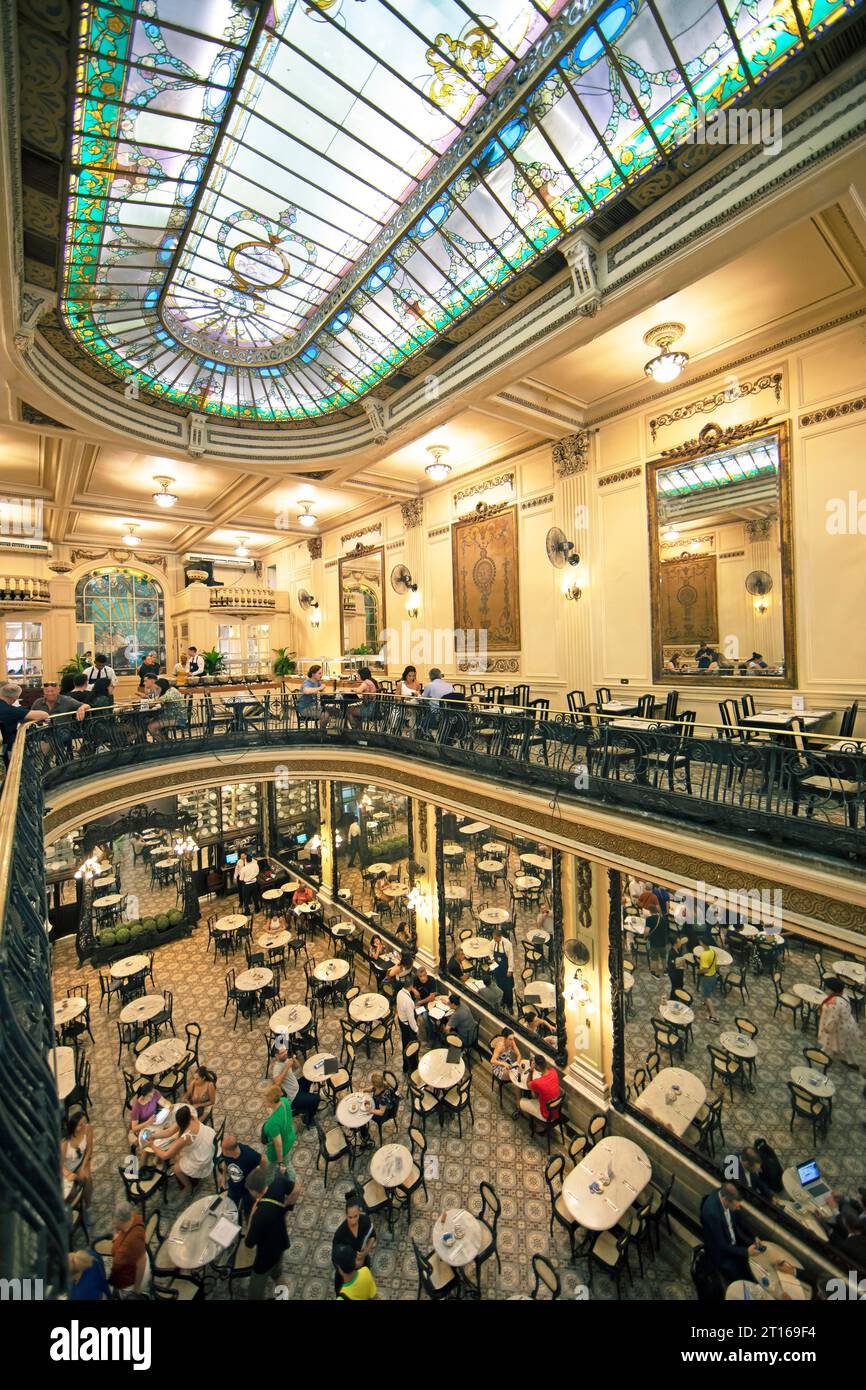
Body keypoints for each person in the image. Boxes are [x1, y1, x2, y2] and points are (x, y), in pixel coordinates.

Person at [244, 1165, 295, 1299]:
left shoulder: (259, 1215)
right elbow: (297, 1187)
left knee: (254, 1294)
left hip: (265, 1258)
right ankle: (283, 1296)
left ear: (255, 1192)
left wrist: (252, 1215)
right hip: (281, 1243)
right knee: (278, 1274)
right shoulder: (278, 1184)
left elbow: (249, 1243)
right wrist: (287, 1206)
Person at [141, 1104, 214, 1191]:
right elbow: (169, 1131)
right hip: (207, 1141)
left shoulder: (185, 1137)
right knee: (178, 1155)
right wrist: (154, 1136)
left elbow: (165, 1155)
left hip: (202, 1158)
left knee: (175, 1168)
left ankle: (188, 1187)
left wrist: (152, 1146)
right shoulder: (192, 1116)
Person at [700, 1183, 761, 1283]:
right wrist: (746, 1252)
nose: (738, 1208)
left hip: (732, 1239)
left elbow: (740, 1219)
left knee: (753, 1265)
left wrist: (754, 1236)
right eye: (736, 1205)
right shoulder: (712, 1214)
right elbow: (722, 1245)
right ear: (725, 1200)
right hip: (721, 1253)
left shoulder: (727, 1195)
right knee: (742, 1277)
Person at [331, 1192, 376, 1294]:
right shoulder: (340, 1234)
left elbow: (372, 1236)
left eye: (356, 1216)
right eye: (350, 1217)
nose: (353, 1221)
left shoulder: (365, 1220)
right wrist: (353, 1264)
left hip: (363, 1262)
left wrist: (365, 1253)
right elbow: (335, 1259)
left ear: (359, 1212)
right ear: (345, 1215)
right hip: (347, 1273)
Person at [271, 1043, 320, 1127]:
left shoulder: (285, 1059)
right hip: (292, 1097)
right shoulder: (277, 1067)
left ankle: (305, 1105)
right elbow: (276, 1083)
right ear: (276, 1055)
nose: (285, 1053)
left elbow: (297, 1067)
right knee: (316, 1098)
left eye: (285, 1051)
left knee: (309, 1078)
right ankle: (308, 1120)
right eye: (282, 1053)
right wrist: (286, 1067)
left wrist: (294, 1060)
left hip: (296, 1087)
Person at [0, 680, 49, 763]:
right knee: (46, 744)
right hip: (7, 747)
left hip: (5, 745)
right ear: (15, 698)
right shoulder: (10, 710)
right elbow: (44, 715)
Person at [818, 977, 862, 1067]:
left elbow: (832, 1019)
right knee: (847, 1046)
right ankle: (852, 1062)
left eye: (827, 988)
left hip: (839, 1029)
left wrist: (827, 1029)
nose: (825, 990)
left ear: (832, 990)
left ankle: (824, 1057)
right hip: (848, 1024)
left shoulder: (833, 1003)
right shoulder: (843, 995)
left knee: (830, 1043)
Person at [261, 1084, 299, 1186]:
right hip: (289, 1137)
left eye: (266, 1100)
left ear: (272, 1102)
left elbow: (278, 1144)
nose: (265, 1102)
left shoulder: (273, 1124)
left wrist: (279, 1161)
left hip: (279, 1149)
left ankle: (290, 1185)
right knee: (287, 1162)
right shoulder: (284, 1101)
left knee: (279, 1167)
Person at [109, 1202, 147, 1295]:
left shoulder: (132, 1240)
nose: (113, 1222)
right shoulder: (134, 1216)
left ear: (121, 1221)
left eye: (115, 1220)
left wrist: (136, 1289)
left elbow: (142, 1263)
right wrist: (117, 1232)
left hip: (130, 1280)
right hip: (128, 1266)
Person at [221, 1134, 263, 1217]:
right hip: (233, 1187)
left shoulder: (250, 1155)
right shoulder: (227, 1154)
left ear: (230, 1151)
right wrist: (224, 1176)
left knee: (248, 1212)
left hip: (247, 1191)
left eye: (223, 1150)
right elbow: (226, 1162)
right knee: (230, 1209)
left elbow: (264, 1161)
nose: (222, 1152)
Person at [61, 1110, 93, 1207]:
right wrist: (68, 1174)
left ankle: (88, 1207)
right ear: (73, 1127)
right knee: (72, 1194)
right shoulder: (65, 1143)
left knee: (86, 1179)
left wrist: (83, 1167)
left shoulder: (88, 1129)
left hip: (80, 1163)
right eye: (80, 1125)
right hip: (67, 1169)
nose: (83, 1126)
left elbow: (89, 1150)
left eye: (84, 1122)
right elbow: (60, 1164)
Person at [518, 1056, 561, 1124]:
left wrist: (531, 1071)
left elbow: (528, 1084)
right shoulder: (554, 1071)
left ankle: (535, 1125)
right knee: (536, 1094)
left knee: (520, 1102)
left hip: (546, 1114)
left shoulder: (538, 1083)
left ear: (537, 1067)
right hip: (555, 1110)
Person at [143, 675, 187, 739]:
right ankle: (166, 741)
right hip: (171, 717)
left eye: (157, 688)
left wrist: (142, 705)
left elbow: (154, 703)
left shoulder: (170, 692)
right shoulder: (168, 691)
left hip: (180, 720)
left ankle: (164, 744)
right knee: (147, 721)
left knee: (151, 727)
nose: (156, 690)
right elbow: (154, 700)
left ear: (162, 687)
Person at [127, 1080, 165, 1147]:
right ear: (143, 1096)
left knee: (164, 1131)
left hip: (153, 1120)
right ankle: (137, 1146)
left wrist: (169, 1106)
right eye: (150, 1096)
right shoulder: (136, 1107)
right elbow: (134, 1128)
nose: (152, 1096)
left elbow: (164, 1102)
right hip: (143, 1126)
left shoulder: (154, 1093)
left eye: (153, 1094)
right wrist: (148, 1122)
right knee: (150, 1143)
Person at [491, 925, 515, 1011]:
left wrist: (510, 970)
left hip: (506, 969)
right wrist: (492, 959)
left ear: (500, 937)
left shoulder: (508, 944)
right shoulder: (493, 942)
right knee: (500, 986)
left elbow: (511, 957)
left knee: (508, 988)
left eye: (495, 938)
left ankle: (510, 1005)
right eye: (493, 938)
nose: (494, 940)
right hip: (498, 969)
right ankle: (503, 1001)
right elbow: (490, 951)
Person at [396, 983, 419, 1063]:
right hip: (407, 1026)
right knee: (411, 1046)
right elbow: (411, 1019)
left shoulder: (400, 993)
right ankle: (412, 1065)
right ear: (411, 986)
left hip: (401, 1020)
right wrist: (416, 1030)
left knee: (405, 1043)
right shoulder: (408, 1001)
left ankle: (405, 1066)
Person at [698, 940, 720, 1022]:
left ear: (702, 943)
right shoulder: (713, 952)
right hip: (713, 975)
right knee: (707, 992)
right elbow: (715, 965)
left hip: (707, 977)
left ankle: (713, 1016)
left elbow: (705, 970)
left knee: (707, 996)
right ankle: (705, 1002)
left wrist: (698, 971)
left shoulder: (704, 955)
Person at [666, 933, 690, 997]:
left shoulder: (678, 948)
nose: (681, 943)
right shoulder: (672, 953)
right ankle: (672, 999)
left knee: (680, 986)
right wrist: (683, 960)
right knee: (675, 988)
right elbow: (674, 965)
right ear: (675, 944)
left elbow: (685, 939)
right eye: (679, 942)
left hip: (679, 972)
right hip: (674, 974)